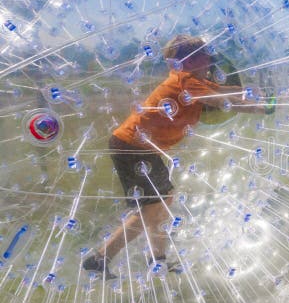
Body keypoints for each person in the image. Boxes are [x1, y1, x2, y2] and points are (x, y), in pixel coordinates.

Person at [83, 35, 269, 278]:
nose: (210, 64)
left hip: (141, 147)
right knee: (150, 210)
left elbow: (222, 89)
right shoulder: (186, 82)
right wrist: (263, 106)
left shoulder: (191, 80)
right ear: (191, 60)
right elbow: (220, 100)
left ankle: (154, 260)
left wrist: (249, 91)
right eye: (206, 59)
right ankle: (101, 259)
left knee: (161, 203)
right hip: (133, 147)